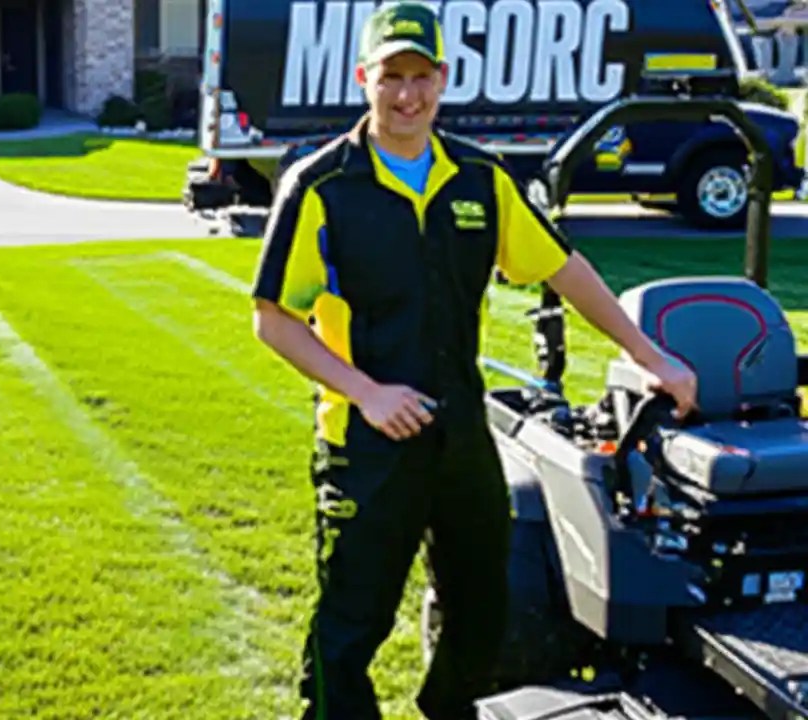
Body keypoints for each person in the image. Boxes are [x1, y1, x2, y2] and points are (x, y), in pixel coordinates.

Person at [250, 3, 699, 719]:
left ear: (443, 78)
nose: (407, 95)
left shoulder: (479, 178)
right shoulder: (322, 184)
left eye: (421, 76)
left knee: (484, 616)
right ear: (364, 78)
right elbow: (272, 319)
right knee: (348, 632)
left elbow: (563, 267)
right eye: (390, 77)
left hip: (461, 439)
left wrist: (649, 354)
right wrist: (365, 392)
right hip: (365, 444)